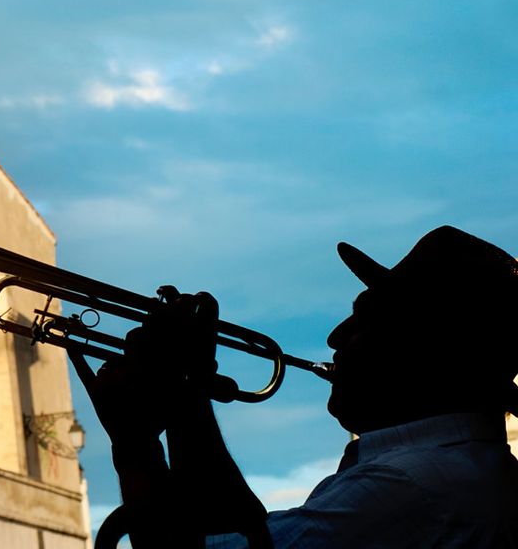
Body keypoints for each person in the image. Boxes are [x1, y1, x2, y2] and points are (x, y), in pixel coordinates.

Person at [72, 226, 518, 548]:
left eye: (365, 318)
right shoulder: (458, 471)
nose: (336, 336)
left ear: (424, 348)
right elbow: (241, 535)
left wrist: (136, 442)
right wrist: (186, 393)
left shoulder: (413, 485)